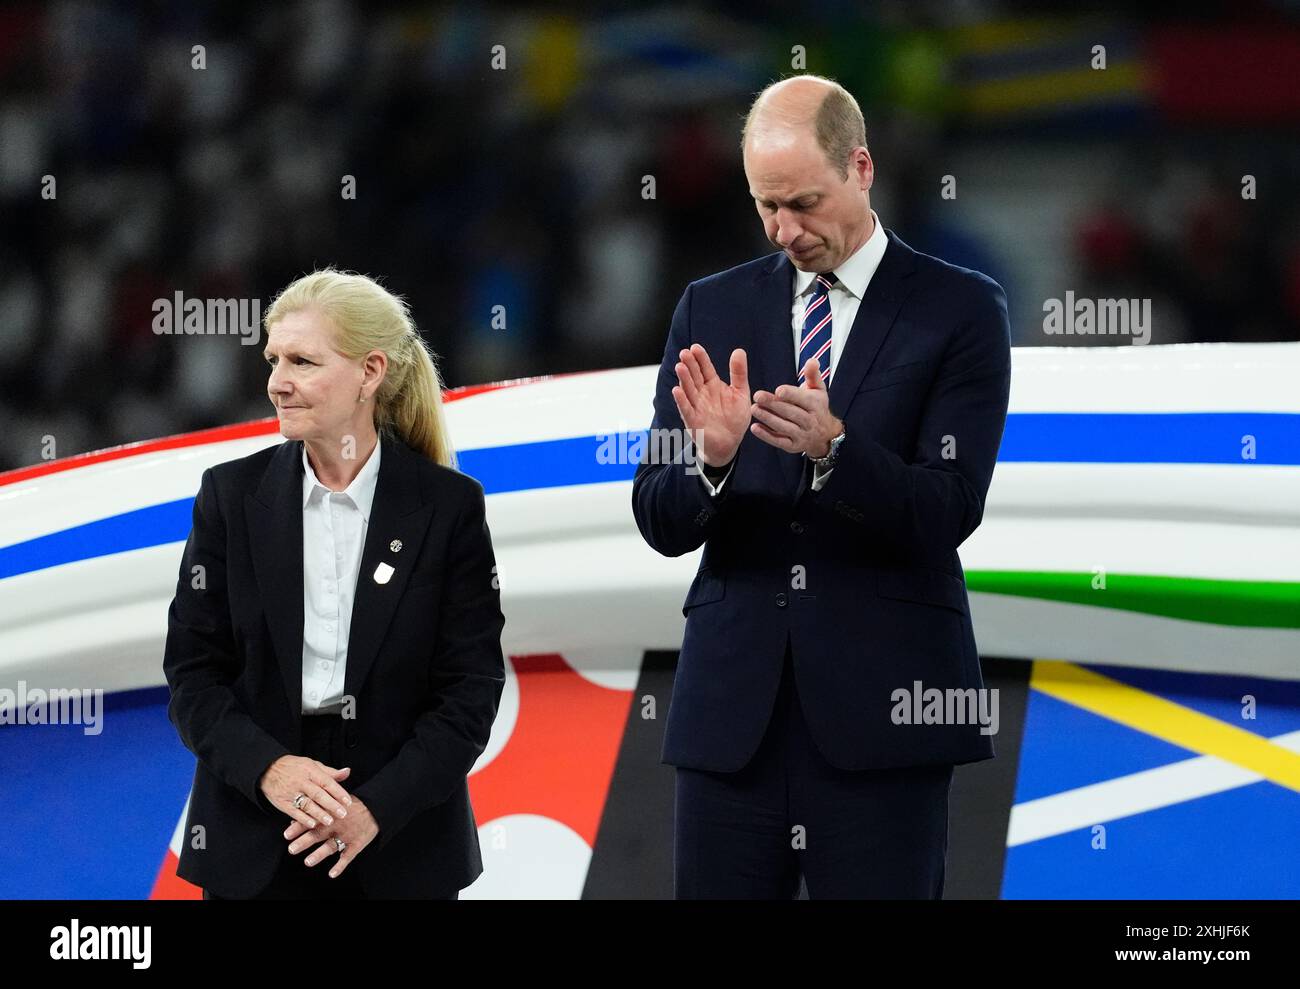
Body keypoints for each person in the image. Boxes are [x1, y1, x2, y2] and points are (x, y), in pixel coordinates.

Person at [631, 75, 1011, 898]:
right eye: (766, 206)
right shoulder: (710, 307)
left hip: (889, 714)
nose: (784, 230)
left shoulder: (960, 309)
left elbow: (949, 506)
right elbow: (657, 514)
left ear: (862, 168)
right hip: (733, 719)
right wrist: (713, 463)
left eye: (803, 202)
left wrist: (838, 450)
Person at [163, 269, 505, 899]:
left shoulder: (449, 507)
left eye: (302, 361)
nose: (276, 383)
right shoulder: (229, 497)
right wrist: (269, 770)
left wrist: (373, 809)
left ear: (370, 373)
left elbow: (470, 690)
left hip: (400, 849)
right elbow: (193, 675)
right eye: (273, 360)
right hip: (254, 841)